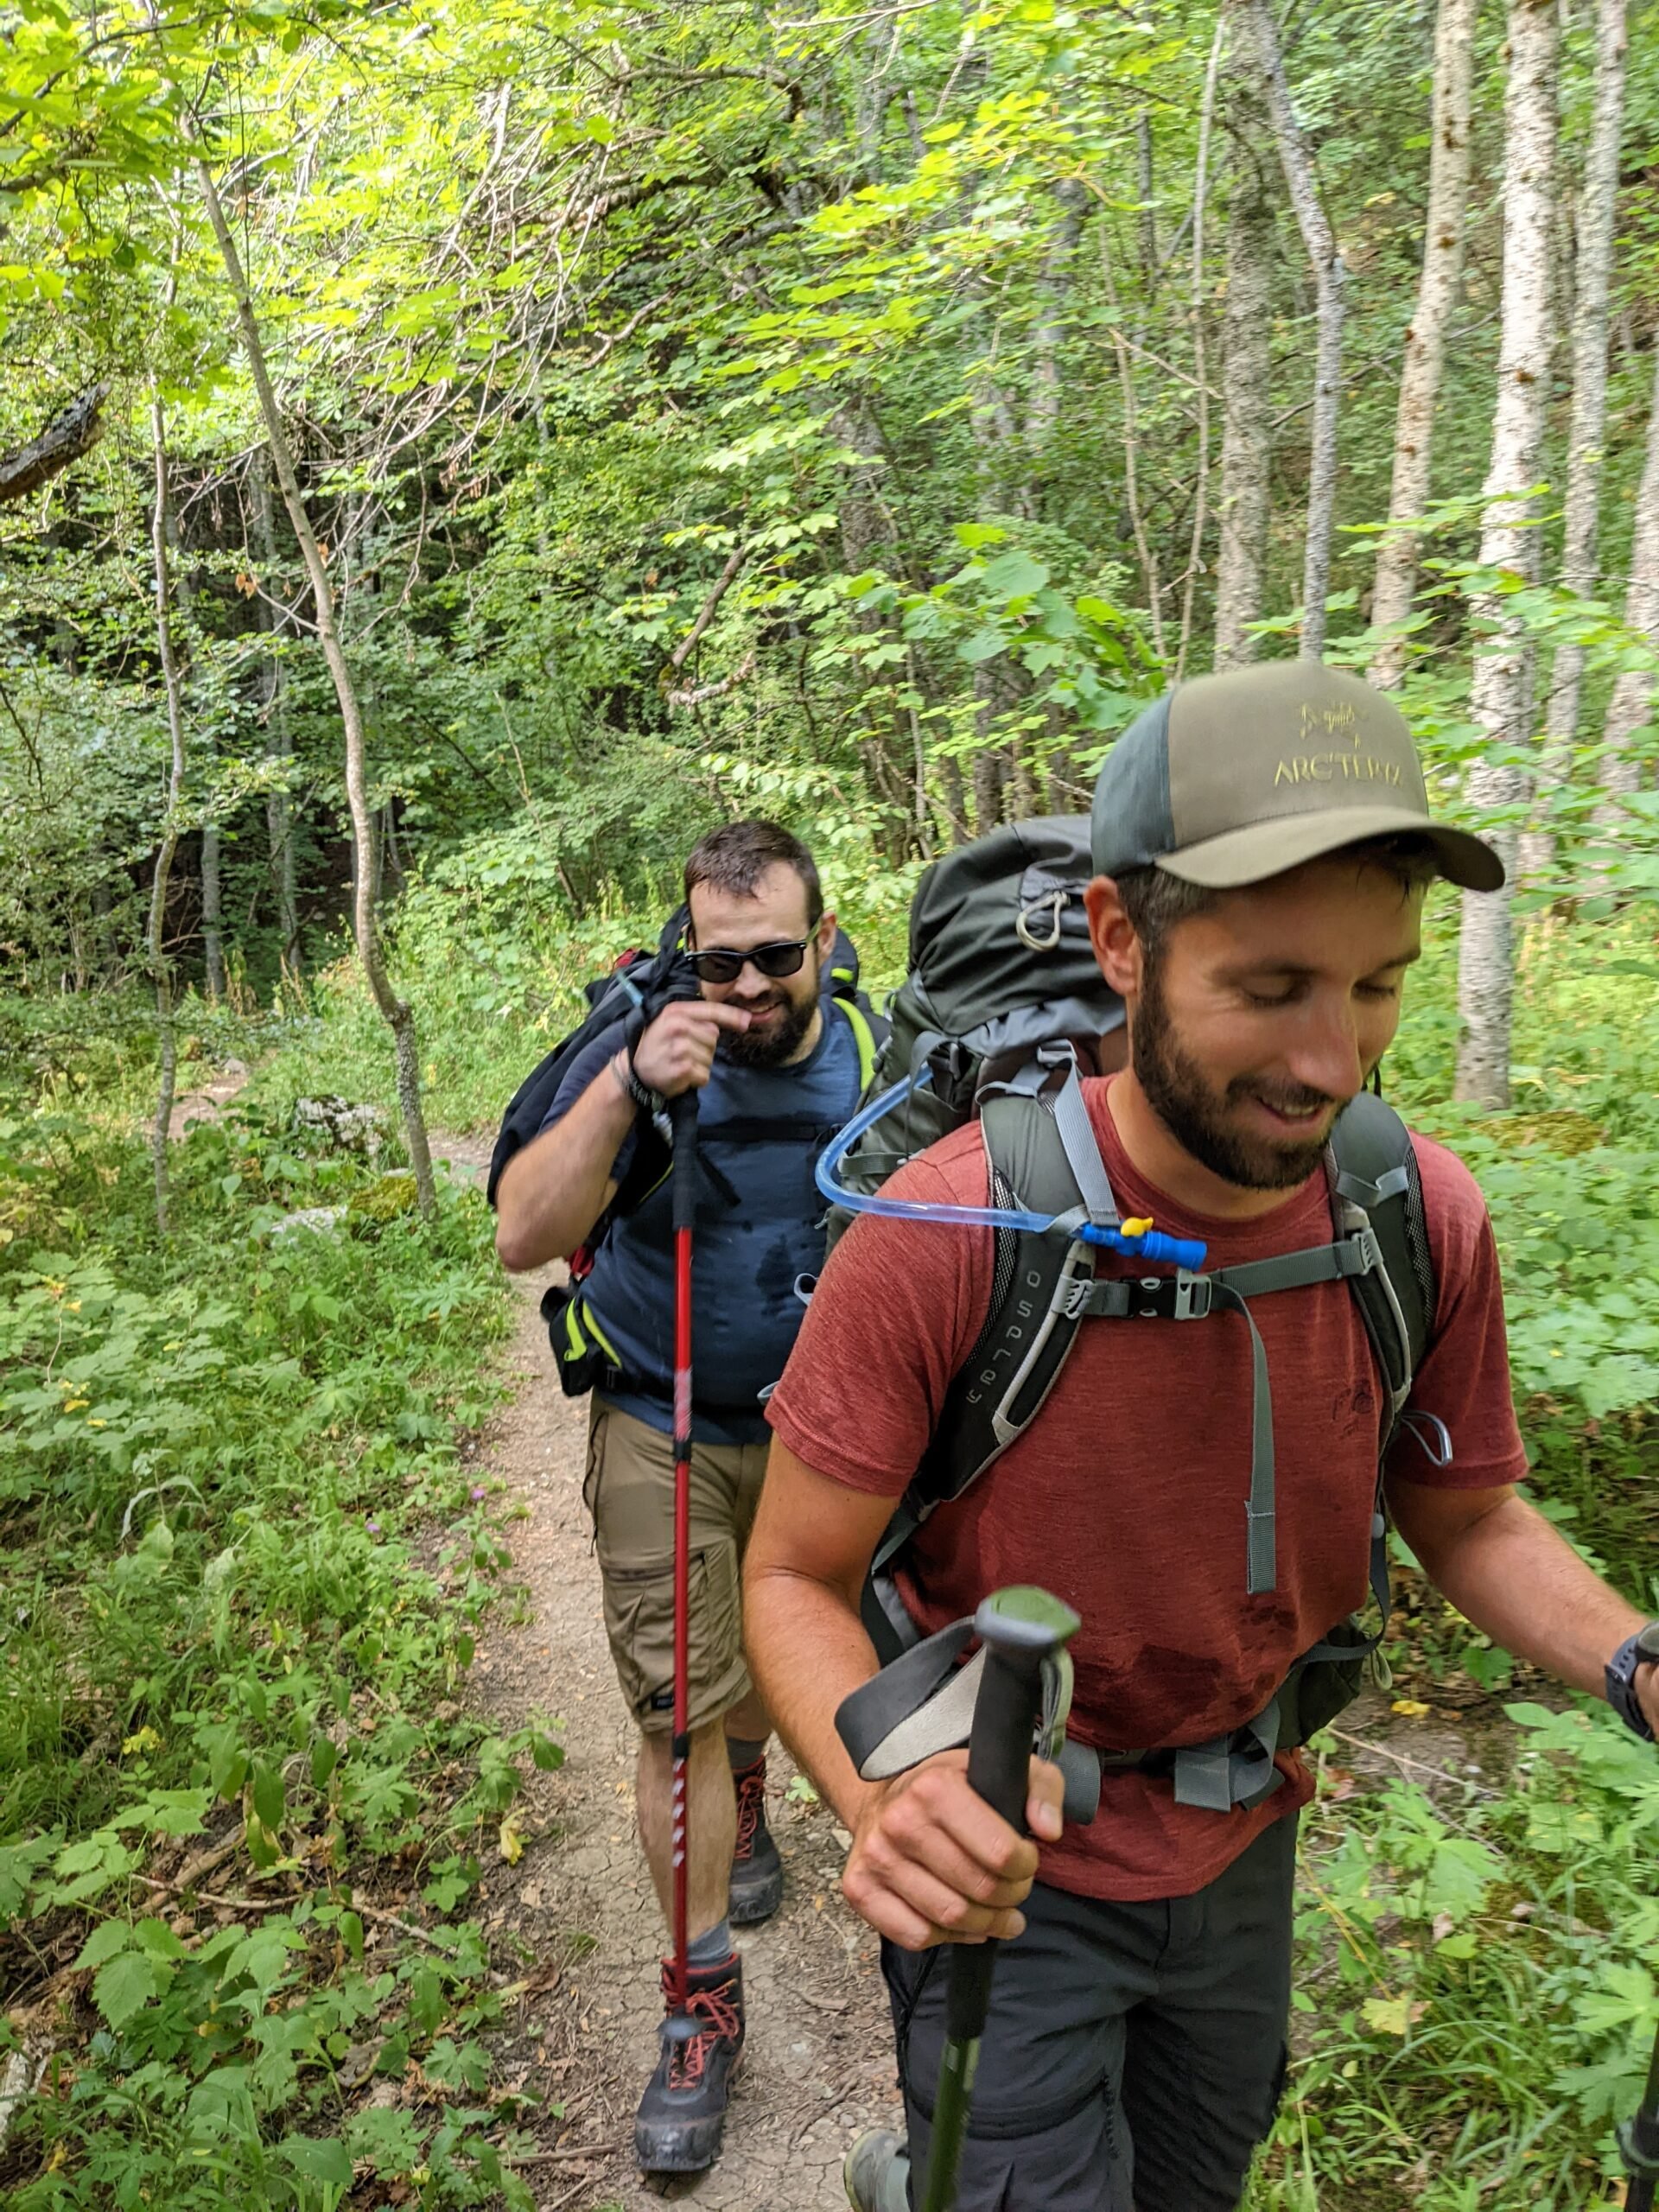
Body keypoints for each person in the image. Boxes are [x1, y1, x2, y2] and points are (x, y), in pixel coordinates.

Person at [744, 664, 1659, 2212]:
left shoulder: (1411, 1214)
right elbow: (790, 1577)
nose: (1335, 1060)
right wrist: (888, 1798)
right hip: (1016, 1870)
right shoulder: (947, 1234)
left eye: (1377, 986)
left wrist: (1636, 1662)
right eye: (1274, 987)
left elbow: (1470, 1514)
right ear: (1122, 942)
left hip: (1245, 1843)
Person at [494, 818, 874, 2173]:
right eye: (722, 963)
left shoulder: (883, 1057)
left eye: (776, 955)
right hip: (663, 1419)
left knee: (777, 1666)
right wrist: (628, 1086)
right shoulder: (638, 1042)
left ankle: (751, 1778)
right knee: (677, 1710)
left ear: (824, 936)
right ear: (685, 951)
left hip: (833, 1439)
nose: (751, 986)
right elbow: (522, 1233)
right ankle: (699, 1997)